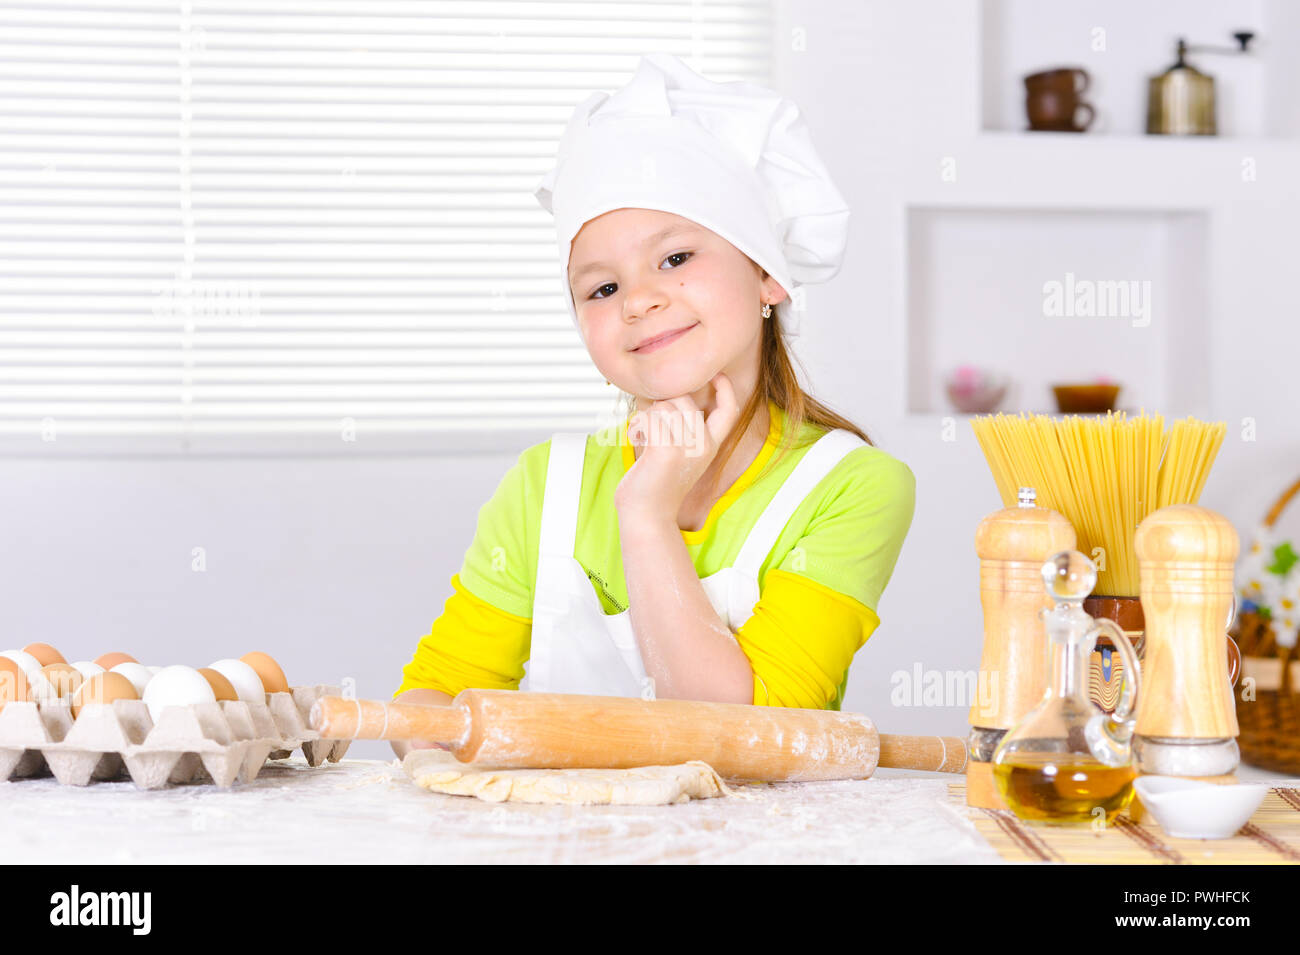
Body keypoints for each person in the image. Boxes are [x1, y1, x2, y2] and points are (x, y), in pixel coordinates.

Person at [390, 54, 915, 759]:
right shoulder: (547, 485)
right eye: (601, 289)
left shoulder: (852, 487)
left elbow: (744, 739)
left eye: (675, 258)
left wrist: (646, 514)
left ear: (766, 274)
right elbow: (427, 705)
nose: (638, 299)